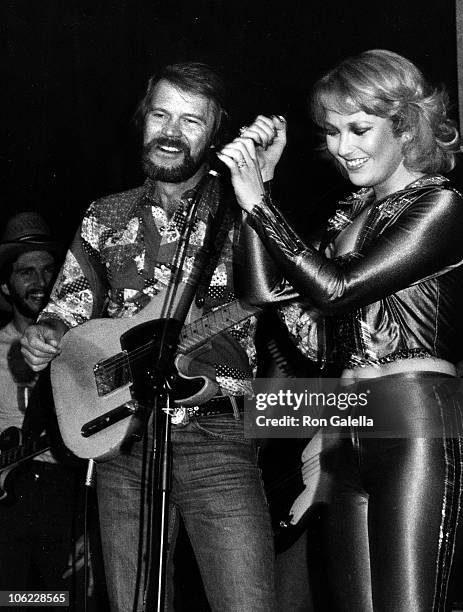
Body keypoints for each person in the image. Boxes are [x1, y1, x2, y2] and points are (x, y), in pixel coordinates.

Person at [217, 49, 463, 611]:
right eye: (332, 132)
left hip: (414, 418)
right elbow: (264, 294)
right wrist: (258, 191)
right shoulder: (349, 215)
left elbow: (336, 288)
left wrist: (260, 205)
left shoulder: (439, 204)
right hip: (347, 420)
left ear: (405, 127)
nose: (342, 148)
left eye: (359, 129)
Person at [20, 62, 275, 612]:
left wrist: (265, 202)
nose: (171, 132)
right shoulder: (103, 215)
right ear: (142, 121)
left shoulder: (243, 211)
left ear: (214, 133)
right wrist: (44, 335)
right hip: (123, 438)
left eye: (191, 121)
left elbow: (308, 324)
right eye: (161, 114)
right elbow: (66, 309)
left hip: (218, 439)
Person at [0, 211, 85, 607]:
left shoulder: (85, 347)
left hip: (63, 497)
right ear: (5, 285)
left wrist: (93, 529)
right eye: (26, 272)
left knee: (54, 602)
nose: (40, 283)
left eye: (50, 270)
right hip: (6, 506)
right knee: (12, 601)